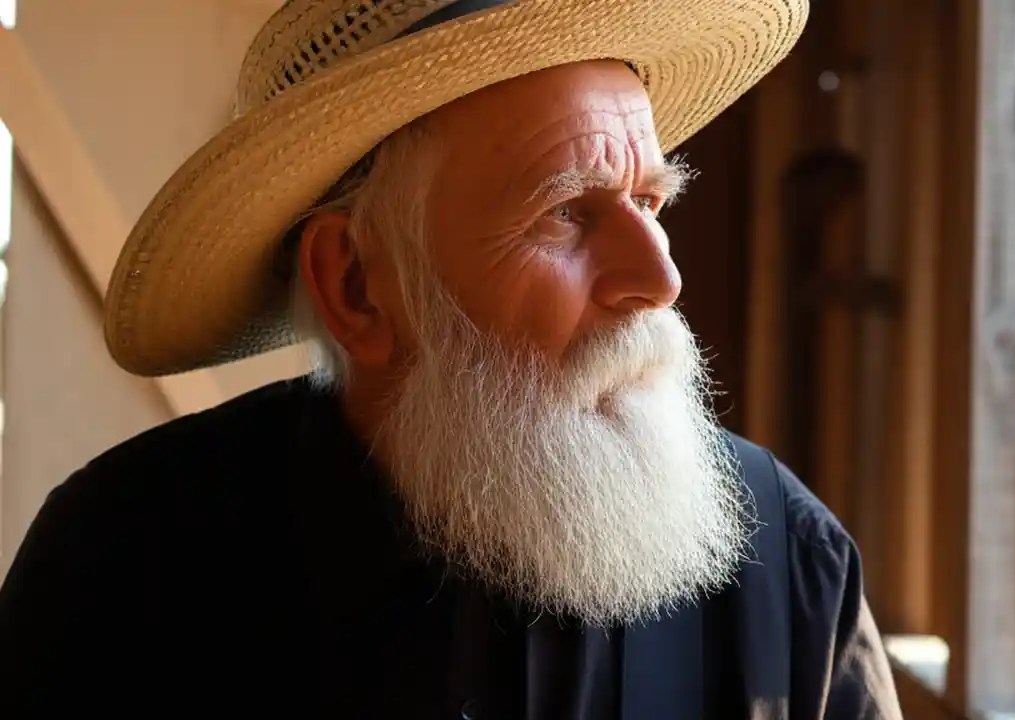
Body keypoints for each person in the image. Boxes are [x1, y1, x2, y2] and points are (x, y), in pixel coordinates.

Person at [0, 0, 902, 717]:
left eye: (649, 203)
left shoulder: (791, 571)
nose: (660, 278)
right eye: (566, 213)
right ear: (355, 282)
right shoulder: (128, 567)